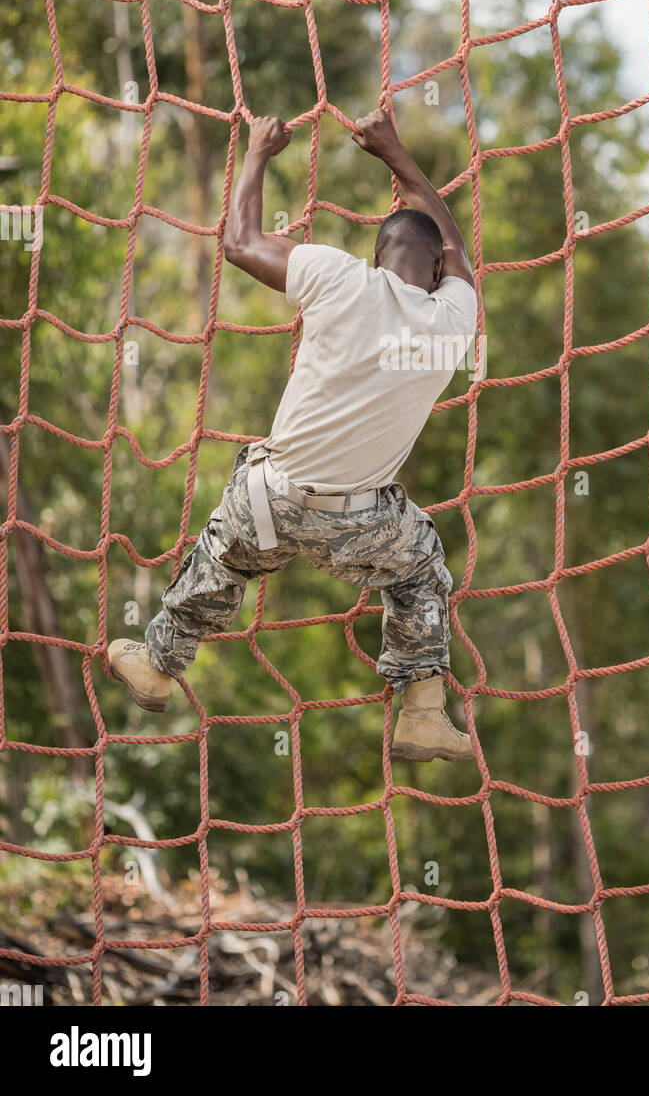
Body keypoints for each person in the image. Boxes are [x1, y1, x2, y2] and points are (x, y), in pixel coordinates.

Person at [106, 108, 479, 763]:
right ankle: (422, 710)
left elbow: (240, 243)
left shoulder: (341, 279)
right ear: (440, 267)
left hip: (269, 503)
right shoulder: (455, 321)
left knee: (223, 556)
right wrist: (396, 154)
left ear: (377, 256)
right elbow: (456, 248)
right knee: (420, 569)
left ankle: (160, 664)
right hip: (360, 524)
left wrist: (258, 151)